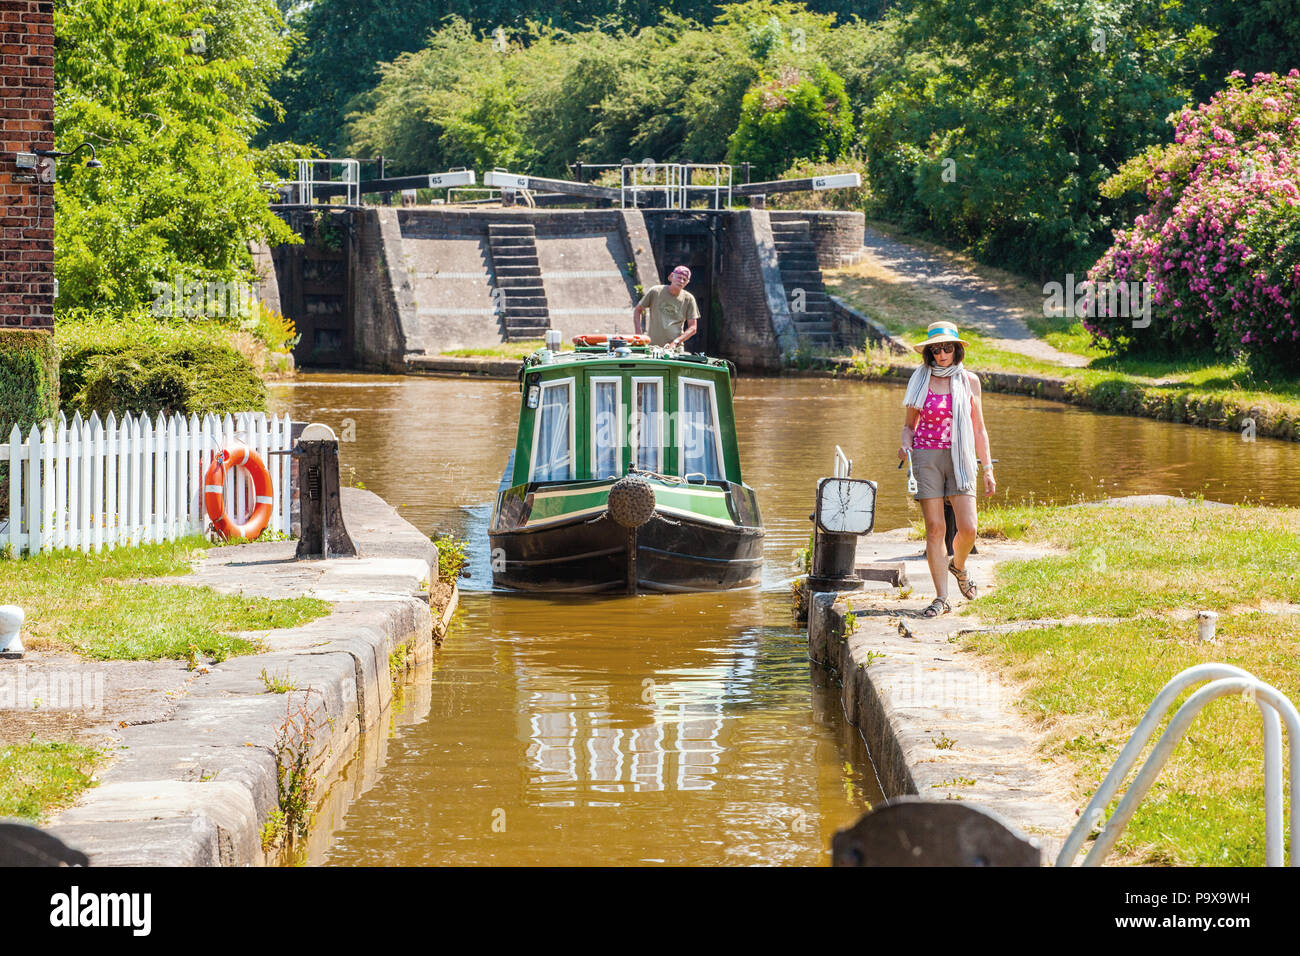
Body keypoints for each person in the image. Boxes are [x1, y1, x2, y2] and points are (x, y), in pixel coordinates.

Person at [897, 322, 996, 618]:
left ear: (957, 349)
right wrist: (905, 445)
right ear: (929, 352)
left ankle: (959, 567)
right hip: (927, 457)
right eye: (936, 349)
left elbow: (979, 429)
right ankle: (941, 598)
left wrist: (988, 468)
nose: (942, 354)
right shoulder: (920, 379)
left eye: (947, 347)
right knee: (935, 529)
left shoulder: (970, 381)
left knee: (969, 528)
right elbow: (908, 426)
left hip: (961, 457)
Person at [633, 265, 699, 348]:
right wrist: (639, 334)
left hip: (674, 348)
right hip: (652, 346)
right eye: (679, 277)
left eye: (684, 279)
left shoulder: (689, 299)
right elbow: (638, 310)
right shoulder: (656, 291)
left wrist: (676, 342)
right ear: (671, 276)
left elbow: (693, 328)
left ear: (687, 283)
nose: (681, 281)